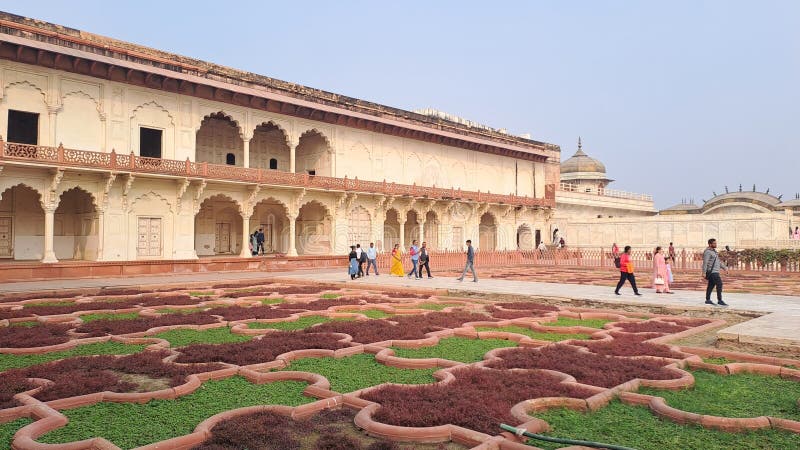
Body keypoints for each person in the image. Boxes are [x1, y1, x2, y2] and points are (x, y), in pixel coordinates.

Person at [703, 238, 729, 306]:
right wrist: (703, 272)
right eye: (714, 243)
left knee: (711, 285)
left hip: (716, 271)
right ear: (710, 244)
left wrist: (725, 268)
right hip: (712, 272)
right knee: (719, 284)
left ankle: (708, 299)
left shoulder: (714, 252)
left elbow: (718, 262)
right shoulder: (707, 252)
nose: (715, 244)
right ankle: (719, 300)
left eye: (716, 243)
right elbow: (705, 263)